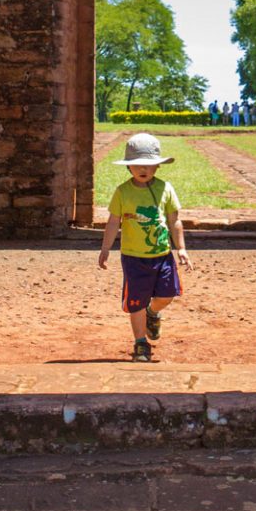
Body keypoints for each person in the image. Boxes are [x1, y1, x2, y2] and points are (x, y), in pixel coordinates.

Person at [98, 132, 192, 362]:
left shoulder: (165, 188)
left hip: (162, 255)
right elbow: (113, 222)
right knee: (136, 301)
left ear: (157, 166)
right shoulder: (122, 192)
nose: (143, 169)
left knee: (167, 295)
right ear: (128, 167)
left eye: (148, 165)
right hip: (134, 258)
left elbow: (174, 221)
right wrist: (105, 248)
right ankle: (141, 343)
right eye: (137, 164)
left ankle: (153, 312)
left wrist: (181, 248)